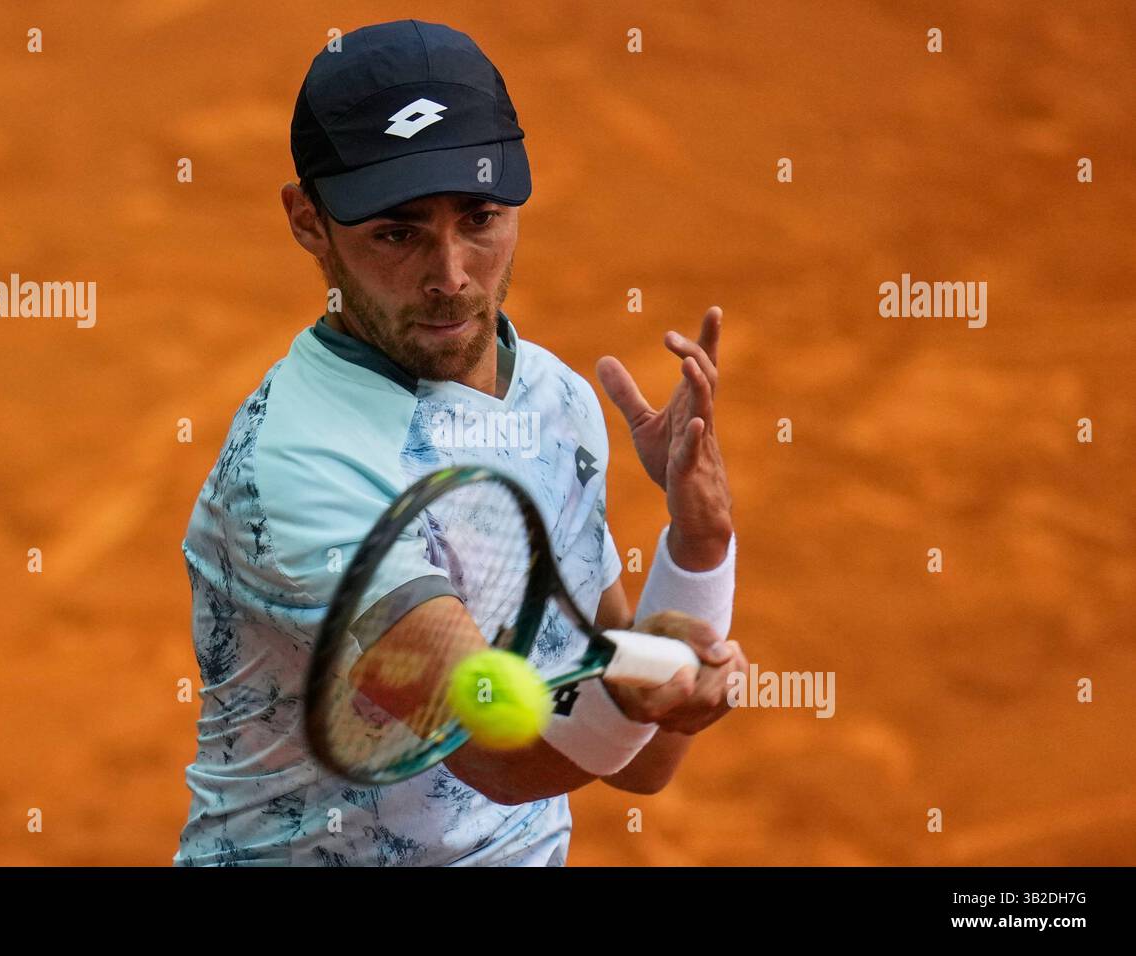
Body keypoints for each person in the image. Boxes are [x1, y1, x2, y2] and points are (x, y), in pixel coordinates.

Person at [174, 18, 747, 867]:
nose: (451, 275)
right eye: (397, 234)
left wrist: (699, 548)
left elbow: (638, 764)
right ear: (306, 220)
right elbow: (503, 761)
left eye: (479, 217)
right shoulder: (298, 469)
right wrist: (630, 700)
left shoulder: (556, 404)